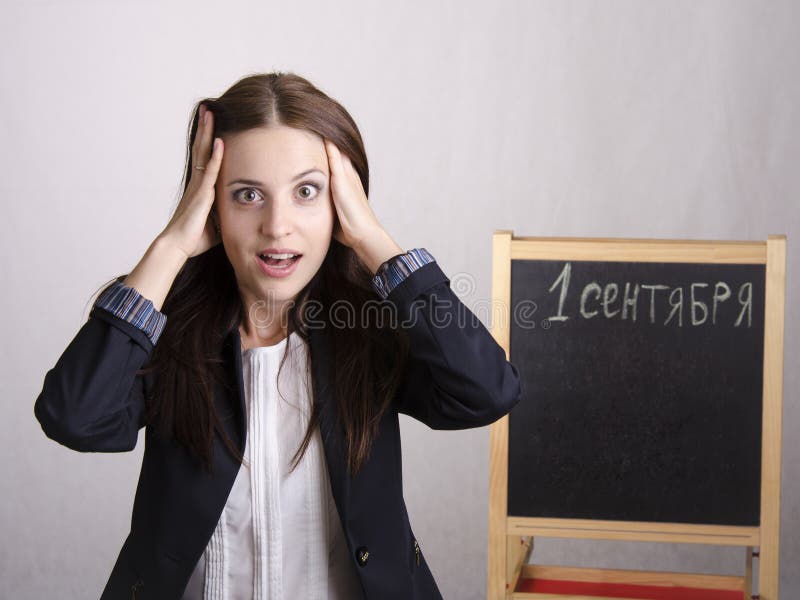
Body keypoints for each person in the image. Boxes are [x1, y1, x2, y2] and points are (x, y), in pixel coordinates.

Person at [34, 71, 522, 600]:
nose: (277, 225)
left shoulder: (371, 327)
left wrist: (373, 240)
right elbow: (74, 417)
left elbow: (487, 392)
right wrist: (171, 245)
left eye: (307, 191)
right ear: (211, 206)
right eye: (247, 195)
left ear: (341, 202)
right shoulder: (165, 329)